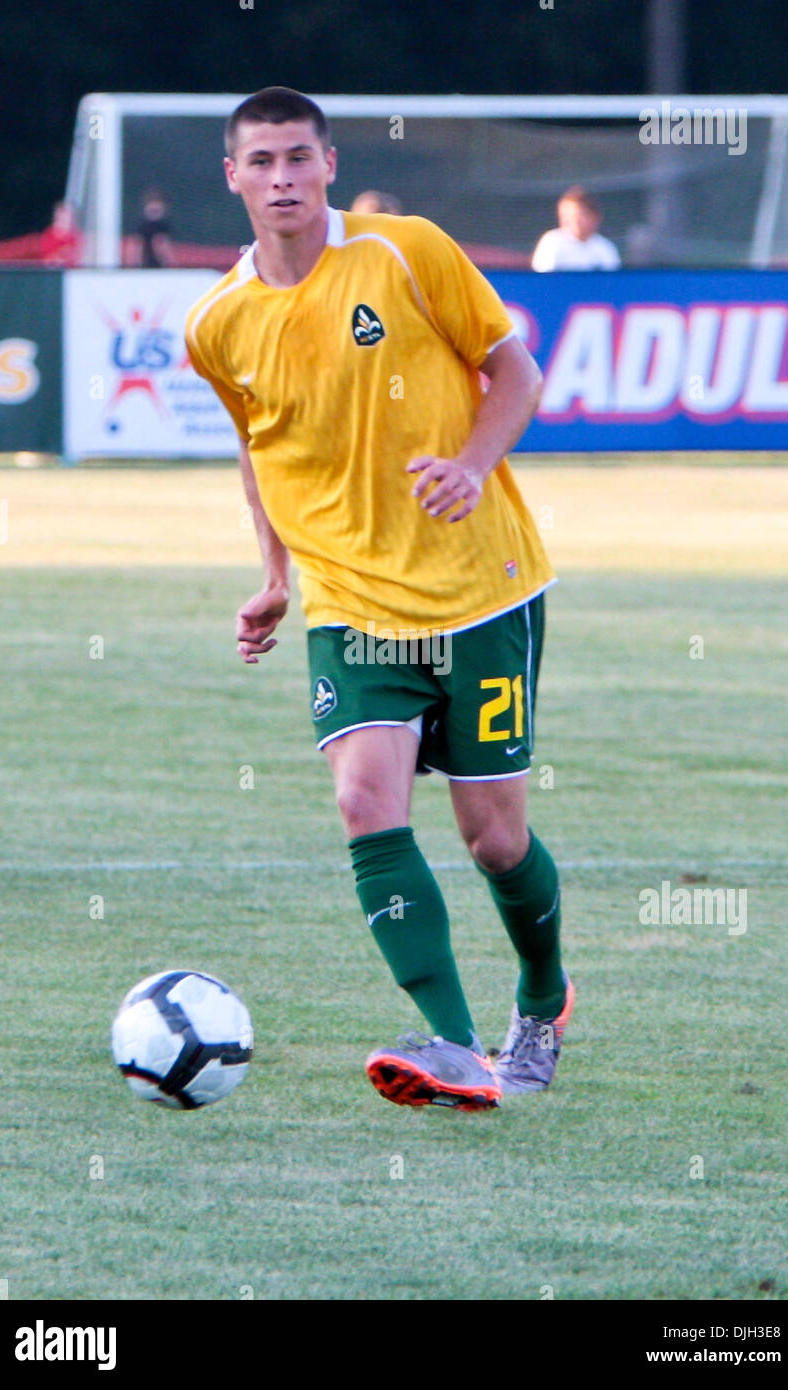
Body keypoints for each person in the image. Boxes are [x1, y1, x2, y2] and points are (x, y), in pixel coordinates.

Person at [185, 87, 573, 1111]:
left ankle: (540, 998)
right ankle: (452, 1044)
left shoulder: (405, 252)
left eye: (297, 159)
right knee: (364, 800)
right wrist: (274, 575)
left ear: (327, 165)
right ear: (231, 176)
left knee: (492, 837)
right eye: (260, 161)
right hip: (350, 601)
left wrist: (471, 465)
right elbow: (257, 448)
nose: (280, 178)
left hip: (478, 588)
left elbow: (514, 371)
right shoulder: (216, 323)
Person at [531, 186, 620, 271]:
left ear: (594, 217)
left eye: (579, 215)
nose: (573, 220)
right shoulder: (551, 242)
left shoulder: (605, 247)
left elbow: (611, 281)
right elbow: (544, 280)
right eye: (566, 215)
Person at [134, 190, 175, 267]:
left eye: (157, 211)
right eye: (153, 211)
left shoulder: (161, 227)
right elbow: (161, 246)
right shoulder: (145, 227)